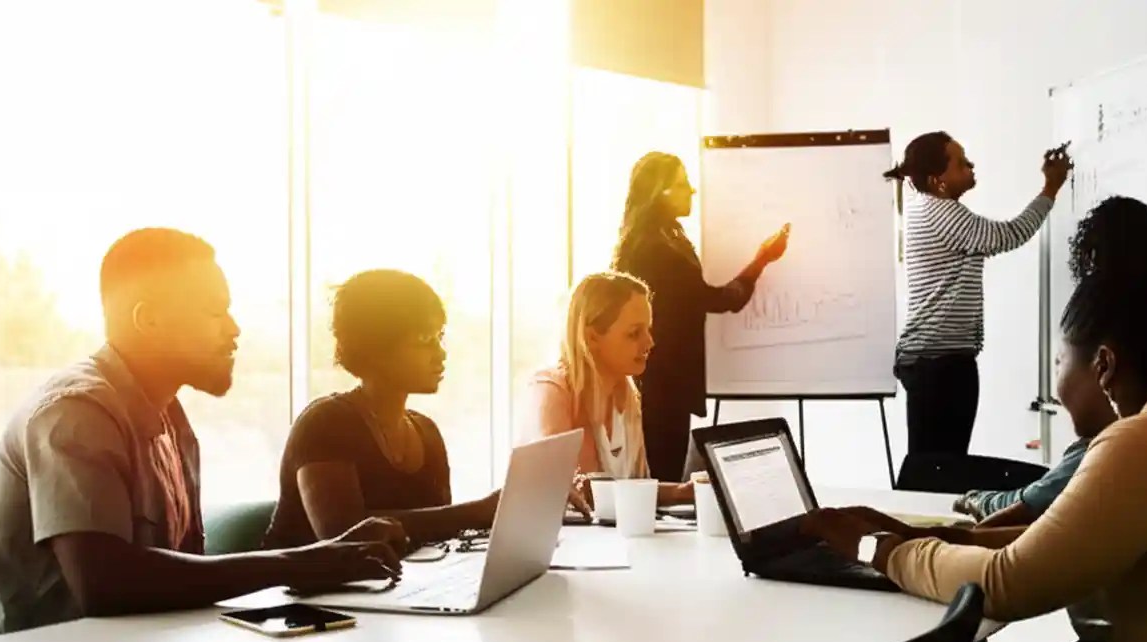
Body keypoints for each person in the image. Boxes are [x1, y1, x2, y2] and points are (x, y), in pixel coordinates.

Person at [805, 207, 1147, 642]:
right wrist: (926, 535)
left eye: (1059, 360)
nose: (1056, 377)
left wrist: (881, 551)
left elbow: (1006, 583)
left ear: (1103, 365)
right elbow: (1055, 539)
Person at [0, 229, 405, 635]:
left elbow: (175, 580)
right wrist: (304, 563)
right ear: (148, 319)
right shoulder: (76, 412)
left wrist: (326, 558)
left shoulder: (170, 418)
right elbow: (103, 585)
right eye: (215, 311)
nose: (234, 329)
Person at [953, 196, 1147, 525]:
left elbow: (1036, 517)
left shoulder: (1141, 431)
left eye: (1061, 360)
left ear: (1106, 365)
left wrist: (977, 506)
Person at [264, 270, 502, 549]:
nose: (440, 353)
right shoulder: (325, 423)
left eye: (439, 337)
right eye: (424, 339)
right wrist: (478, 512)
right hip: (308, 579)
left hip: (392, 579)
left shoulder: (427, 432)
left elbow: (439, 540)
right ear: (376, 346)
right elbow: (343, 537)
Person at [886, 132, 1073, 458]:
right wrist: (1050, 189)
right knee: (939, 466)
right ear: (937, 180)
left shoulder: (923, 208)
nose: (971, 166)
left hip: (931, 360)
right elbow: (1010, 234)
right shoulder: (942, 212)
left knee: (932, 463)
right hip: (940, 363)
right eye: (961, 163)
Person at [612, 151, 789, 484]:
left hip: (661, 382)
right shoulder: (657, 249)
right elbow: (718, 299)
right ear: (660, 193)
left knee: (661, 475)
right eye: (682, 185)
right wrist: (761, 260)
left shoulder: (663, 238)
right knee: (662, 477)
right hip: (661, 385)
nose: (692, 191)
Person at [522, 271, 692, 508]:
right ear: (592, 337)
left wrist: (683, 492)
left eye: (648, 330)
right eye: (634, 333)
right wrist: (675, 494)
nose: (649, 342)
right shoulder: (552, 390)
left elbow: (634, 488)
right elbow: (564, 488)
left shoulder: (627, 397)